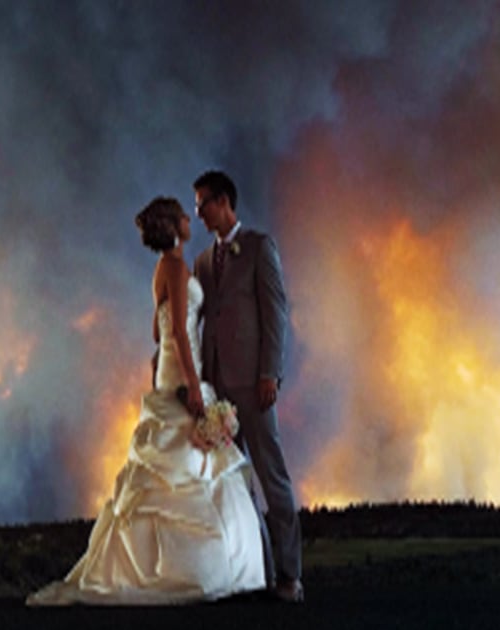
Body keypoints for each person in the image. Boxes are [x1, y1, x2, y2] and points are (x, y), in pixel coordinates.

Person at [27, 197, 265, 606]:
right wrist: (193, 383)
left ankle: (205, 567)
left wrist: (175, 353)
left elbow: (157, 333)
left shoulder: (166, 268)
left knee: (184, 465)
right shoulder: (173, 266)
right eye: (184, 215)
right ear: (174, 224)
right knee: (184, 464)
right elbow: (173, 332)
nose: (192, 219)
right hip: (181, 369)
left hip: (172, 366)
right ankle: (197, 571)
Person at [192, 170, 303, 603]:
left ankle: (291, 576)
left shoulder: (259, 247)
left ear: (223, 202)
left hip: (253, 387)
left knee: (271, 476)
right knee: (236, 487)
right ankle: (260, 572)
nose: (198, 212)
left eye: (203, 203)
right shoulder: (203, 262)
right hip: (217, 391)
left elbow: (276, 314)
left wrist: (270, 374)